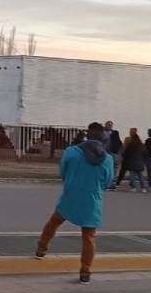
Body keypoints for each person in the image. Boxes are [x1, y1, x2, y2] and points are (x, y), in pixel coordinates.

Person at [35, 122, 114, 284]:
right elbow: (107, 182)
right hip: (92, 200)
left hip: (71, 195)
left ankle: (41, 249)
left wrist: (71, 182)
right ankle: (85, 271)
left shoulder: (71, 152)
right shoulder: (107, 159)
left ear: (87, 136)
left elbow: (63, 171)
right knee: (89, 236)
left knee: (54, 221)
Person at [103, 120, 122, 189]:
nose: (110, 126)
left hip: (113, 152)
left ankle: (112, 183)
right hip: (104, 152)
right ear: (105, 125)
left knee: (114, 167)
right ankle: (106, 182)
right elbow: (102, 139)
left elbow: (119, 142)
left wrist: (119, 152)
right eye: (108, 125)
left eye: (111, 125)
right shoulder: (102, 132)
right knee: (106, 167)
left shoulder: (115, 133)